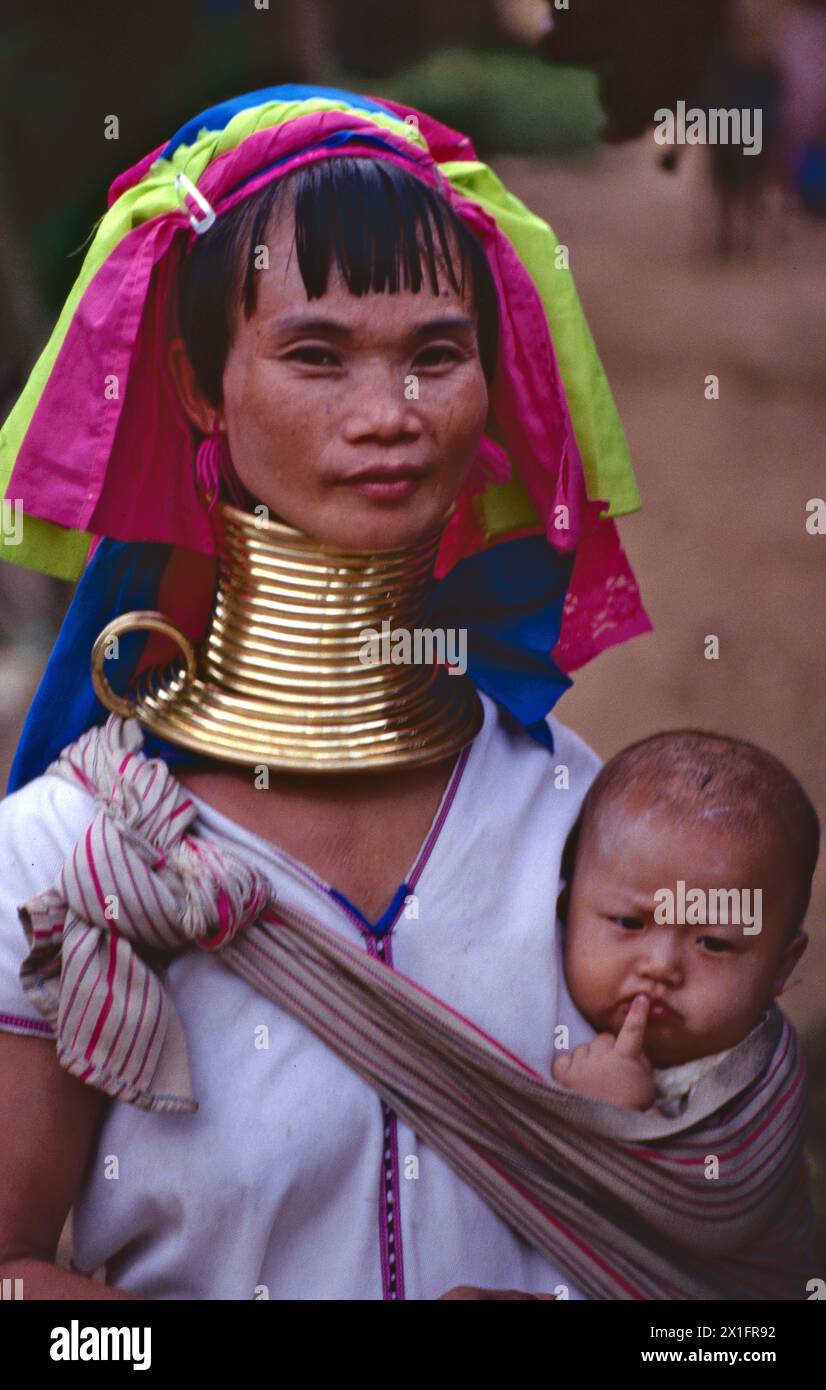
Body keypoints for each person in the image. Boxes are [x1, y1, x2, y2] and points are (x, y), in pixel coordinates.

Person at [0, 85, 651, 1301]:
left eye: (436, 356)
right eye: (316, 354)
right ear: (200, 389)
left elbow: (722, 1271)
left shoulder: (591, 831)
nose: (390, 417)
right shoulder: (69, 861)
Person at [551, 730, 818, 1119]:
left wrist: (621, 1117)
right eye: (629, 922)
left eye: (712, 943)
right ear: (563, 909)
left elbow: (708, 1179)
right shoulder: (532, 1010)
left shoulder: (757, 1087)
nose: (660, 966)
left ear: (782, 965)